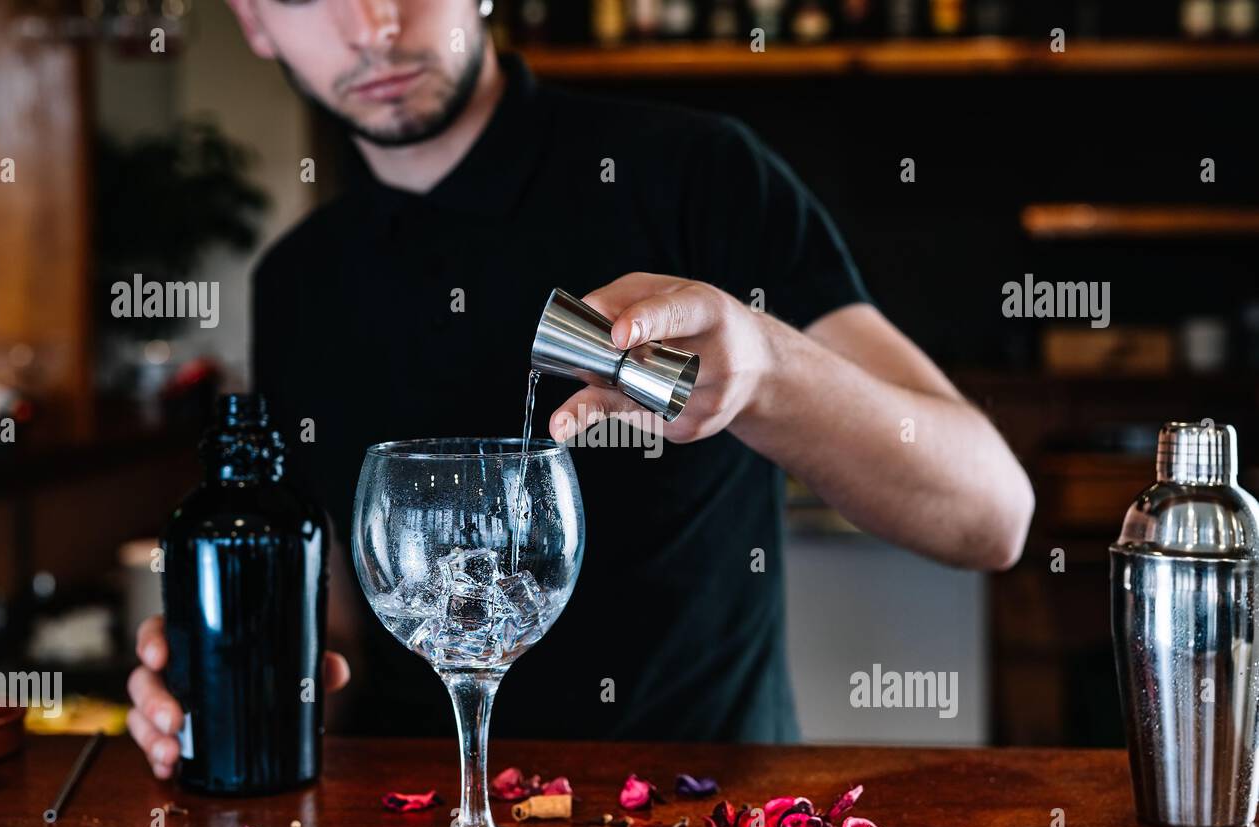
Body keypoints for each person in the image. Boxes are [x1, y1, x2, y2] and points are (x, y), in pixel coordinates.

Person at [127, 0, 1034, 779]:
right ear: (252, 19)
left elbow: (991, 514)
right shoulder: (297, 281)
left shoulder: (698, 175)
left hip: (698, 825)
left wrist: (765, 370)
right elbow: (345, 635)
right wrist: (241, 680)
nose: (370, 27)